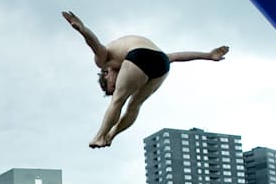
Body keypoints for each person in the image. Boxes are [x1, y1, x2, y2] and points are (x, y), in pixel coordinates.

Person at [62, 11, 229, 148]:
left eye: (112, 85)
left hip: (140, 55)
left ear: (107, 74)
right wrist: (207, 56)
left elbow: (94, 44)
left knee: (118, 100)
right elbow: (177, 56)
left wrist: (82, 29)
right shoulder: (123, 58)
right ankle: (111, 135)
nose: (116, 85)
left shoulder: (104, 61)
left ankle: (100, 136)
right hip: (161, 63)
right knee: (135, 104)